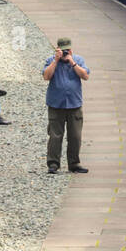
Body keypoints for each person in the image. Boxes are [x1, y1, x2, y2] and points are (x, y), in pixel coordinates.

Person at [42, 37, 90, 174]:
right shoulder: (51, 60)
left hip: (74, 104)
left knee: (75, 136)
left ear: (71, 49)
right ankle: (53, 164)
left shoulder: (78, 60)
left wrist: (72, 63)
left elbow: (85, 76)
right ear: (57, 50)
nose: (65, 53)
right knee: (55, 136)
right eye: (62, 50)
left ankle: (74, 163)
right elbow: (46, 76)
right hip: (56, 104)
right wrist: (56, 61)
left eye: (67, 50)